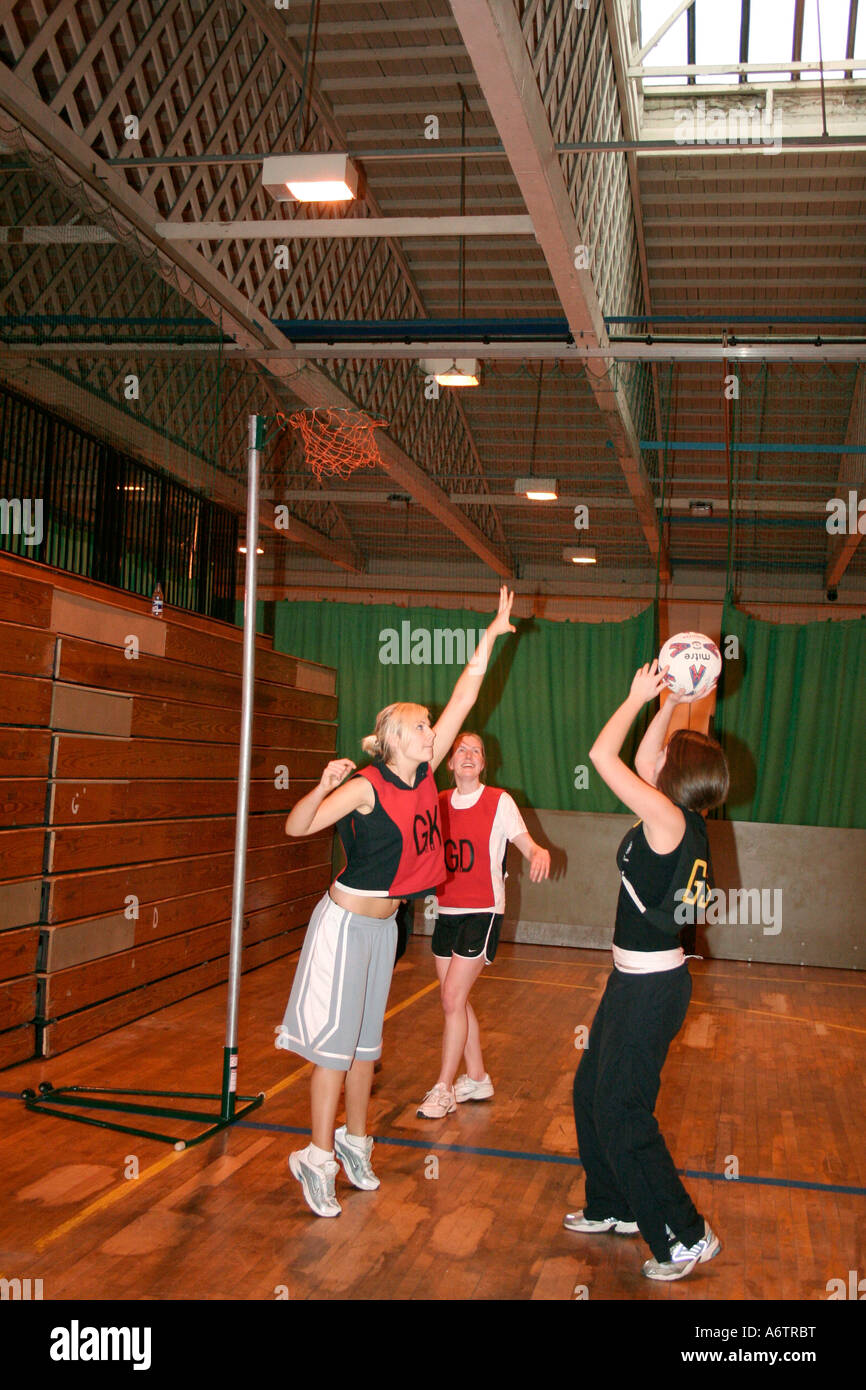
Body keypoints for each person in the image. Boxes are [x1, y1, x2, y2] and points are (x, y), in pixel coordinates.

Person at [275, 587, 516, 1217]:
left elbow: (466, 693)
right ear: (390, 738)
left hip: (386, 929)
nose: (432, 731)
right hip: (344, 925)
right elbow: (298, 828)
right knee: (333, 1049)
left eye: (430, 727)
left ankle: (356, 1144)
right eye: (420, 726)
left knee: (363, 1049)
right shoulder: (366, 785)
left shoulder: (426, 777)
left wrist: (488, 639)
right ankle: (316, 1158)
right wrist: (322, 784)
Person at [567, 660, 729, 1282]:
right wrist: (667, 700)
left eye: (666, 752)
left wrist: (636, 696)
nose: (655, 755)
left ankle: (687, 1235)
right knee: (592, 1092)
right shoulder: (680, 820)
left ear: (675, 772)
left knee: (624, 1111)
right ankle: (614, 1205)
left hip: (650, 987)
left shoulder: (667, 822)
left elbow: (605, 758)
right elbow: (638, 762)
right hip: (635, 981)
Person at [416, 732, 550, 1118]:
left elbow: (523, 840)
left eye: (476, 750)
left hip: (483, 911)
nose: (469, 754)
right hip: (447, 910)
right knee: (454, 1000)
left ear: (484, 764)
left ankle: (444, 1087)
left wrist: (537, 850)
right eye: (462, 750)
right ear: (450, 764)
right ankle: (476, 1077)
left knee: (451, 999)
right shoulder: (437, 803)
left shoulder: (499, 801)